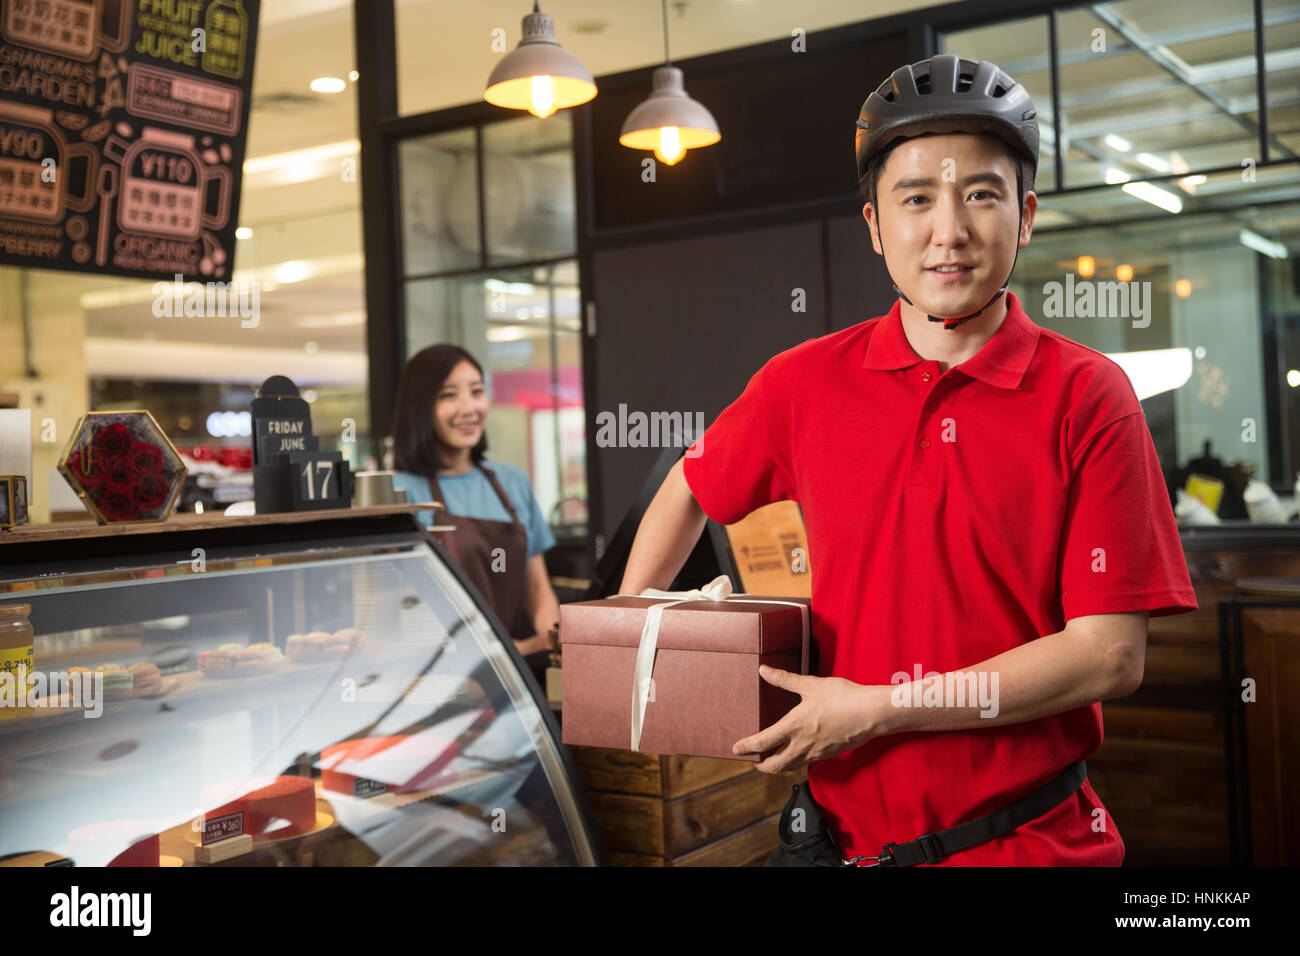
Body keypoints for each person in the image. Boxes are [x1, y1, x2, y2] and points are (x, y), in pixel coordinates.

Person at [618, 54, 1197, 866]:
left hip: (1025, 842)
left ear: (1025, 216)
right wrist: (630, 633)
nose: (949, 231)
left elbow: (1109, 654)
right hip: (839, 842)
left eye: (981, 196)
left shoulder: (1091, 396)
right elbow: (690, 482)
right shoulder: (802, 382)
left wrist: (879, 709)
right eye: (917, 198)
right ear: (875, 225)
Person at [391, 344, 559, 682]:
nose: (468, 408)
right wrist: (506, 649)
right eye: (448, 395)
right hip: (435, 678)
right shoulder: (399, 492)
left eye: (477, 391)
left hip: (514, 676)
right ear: (420, 407)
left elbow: (538, 589)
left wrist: (553, 638)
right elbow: (402, 608)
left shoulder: (511, 482)